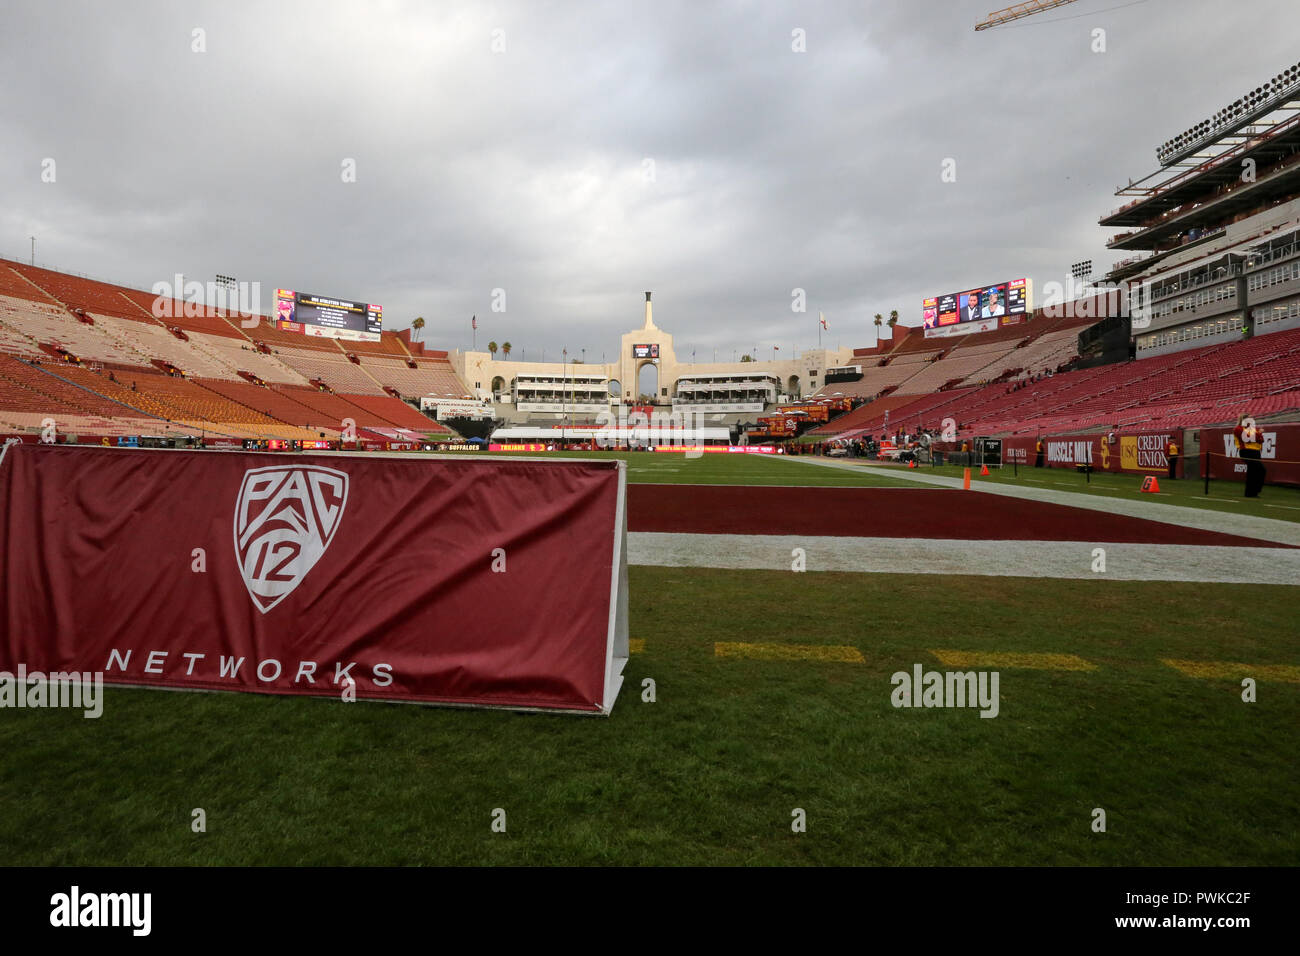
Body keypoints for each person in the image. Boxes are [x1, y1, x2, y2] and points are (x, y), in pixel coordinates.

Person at [1234, 414, 1266, 498]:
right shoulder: (1238, 428)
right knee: (1259, 470)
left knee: (1253, 472)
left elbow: (1261, 440)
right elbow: (1247, 439)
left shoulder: (1252, 428)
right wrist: (1259, 433)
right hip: (1246, 451)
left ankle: (1252, 493)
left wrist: (1257, 435)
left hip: (1256, 452)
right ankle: (1252, 492)